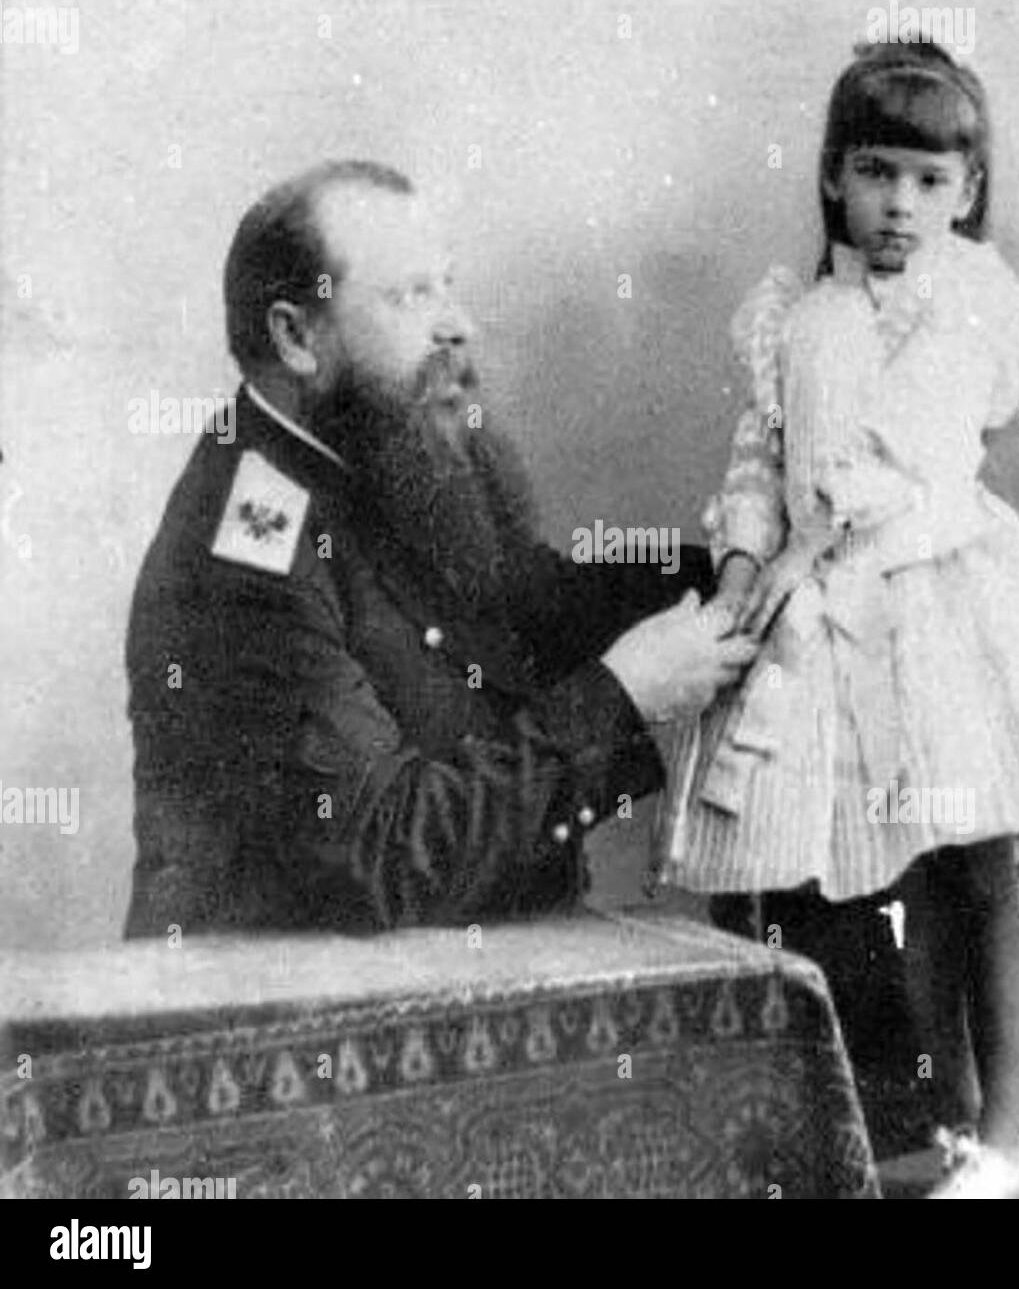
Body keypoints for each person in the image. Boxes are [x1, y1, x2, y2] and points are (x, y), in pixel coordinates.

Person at [658, 39, 1019, 1197]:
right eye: (879, 172)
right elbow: (756, 464)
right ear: (834, 176)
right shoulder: (790, 314)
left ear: (969, 193)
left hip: (938, 596)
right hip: (834, 619)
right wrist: (742, 565)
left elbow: (914, 455)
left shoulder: (974, 302)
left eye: (932, 181)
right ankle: (962, 1120)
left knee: (979, 865)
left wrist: (811, 547)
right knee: (909, 874)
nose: (901, 203)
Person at [124, 159, 757, 939]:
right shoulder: (243, 556)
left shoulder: (375, 449)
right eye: (409, 295)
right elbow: (383, 855)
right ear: (294, 336)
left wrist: (742, 569)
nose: (459, 324)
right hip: (274, 1025)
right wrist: (624, 696)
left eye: (447, 285)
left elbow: (534, 602)